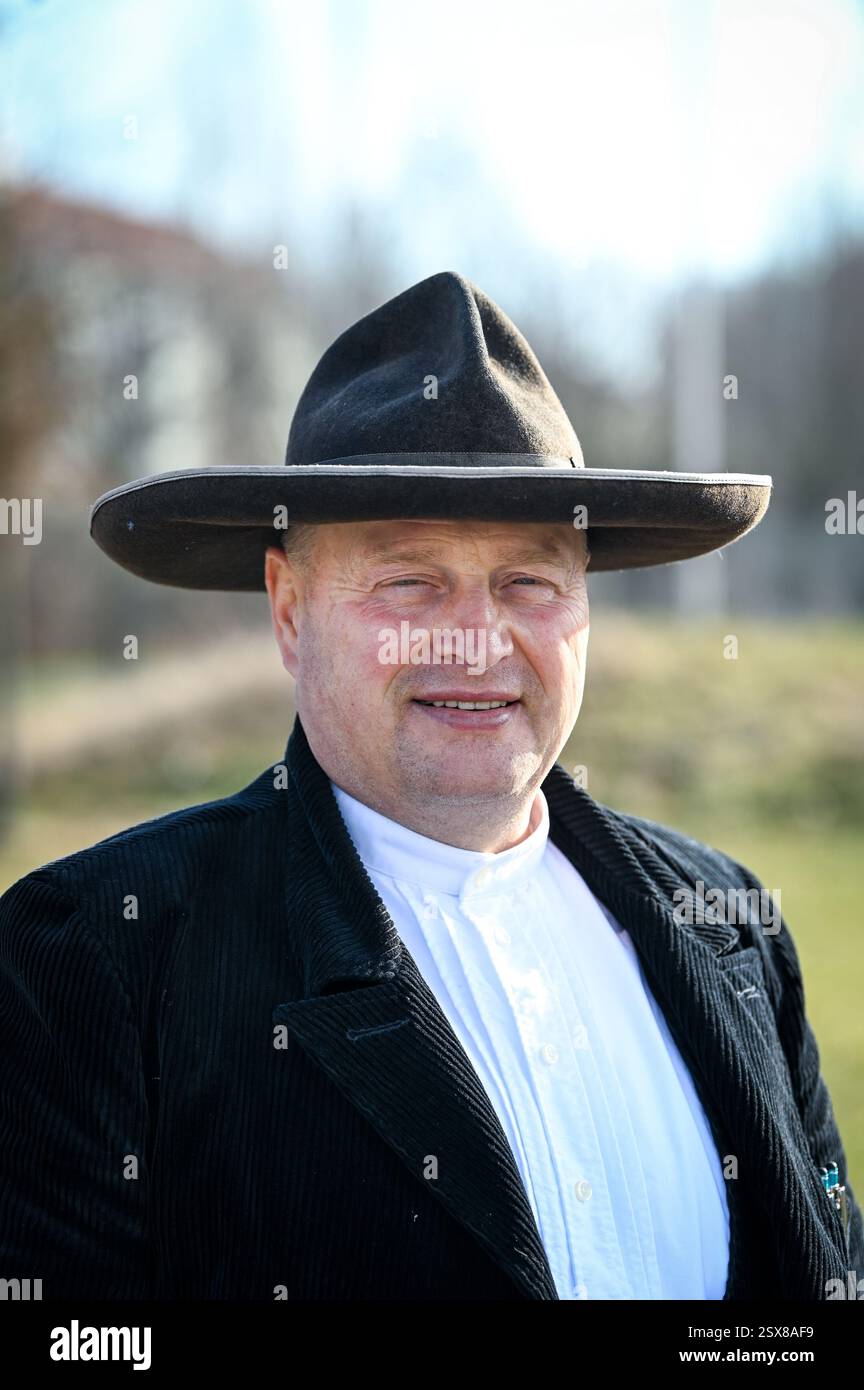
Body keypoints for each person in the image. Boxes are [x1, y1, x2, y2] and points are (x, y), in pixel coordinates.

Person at [0, 271, 859, 1300]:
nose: (474, 639)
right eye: (410, 579)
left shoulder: (735, 928)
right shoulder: (91, 959)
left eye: (529, 581)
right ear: (288, 608)